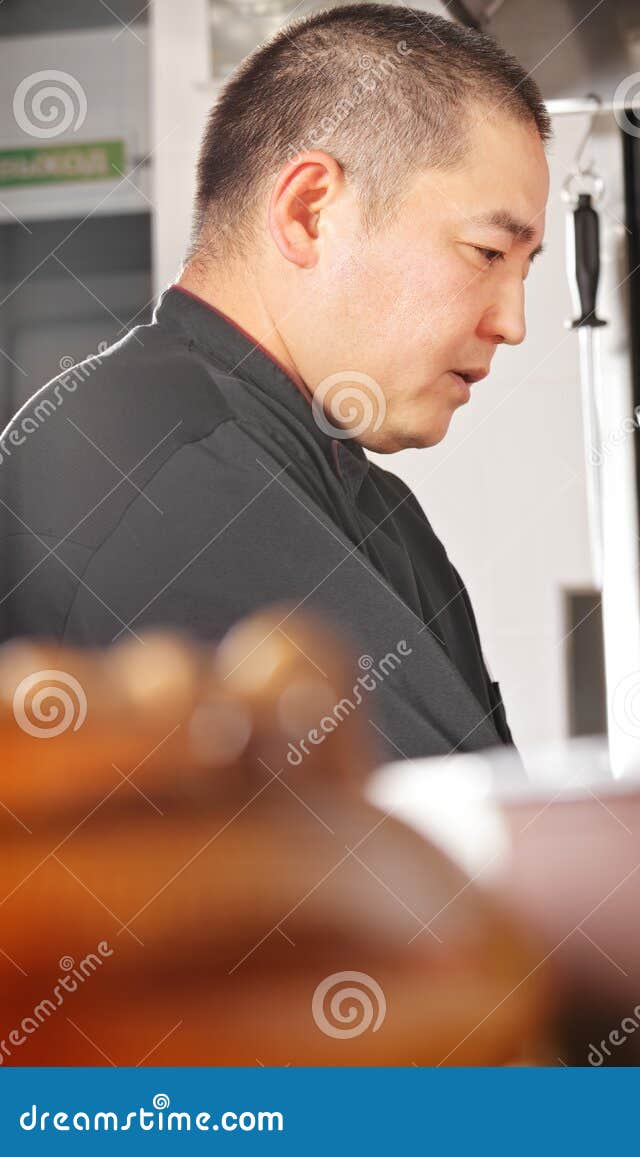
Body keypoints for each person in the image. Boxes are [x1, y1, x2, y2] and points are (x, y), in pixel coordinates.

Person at [0, 4, 553, 757]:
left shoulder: (381, 510)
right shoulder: (154, 460)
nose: (512, 322)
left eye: (526, 270)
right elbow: (437, 853)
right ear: (309, 212)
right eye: (489, 253)